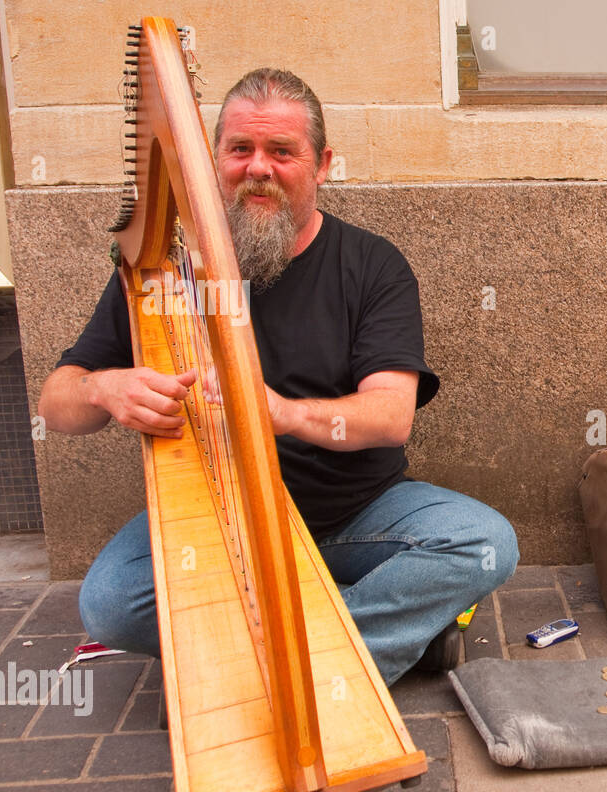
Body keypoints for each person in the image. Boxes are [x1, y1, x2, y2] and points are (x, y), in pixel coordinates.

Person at [37, 68, 518, 686]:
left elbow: (391, 416)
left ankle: (277, 667)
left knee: (484, 542)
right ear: (214, 160)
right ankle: (364, 640)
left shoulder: (373, 266)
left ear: (321, 165)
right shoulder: (163, 275)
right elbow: (54, 406)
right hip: (213, 520)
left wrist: (284, 413)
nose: (258, 167)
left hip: (355, 516)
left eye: (281, 151)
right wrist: (103, 388)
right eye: (241, 149)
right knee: (109, 602)